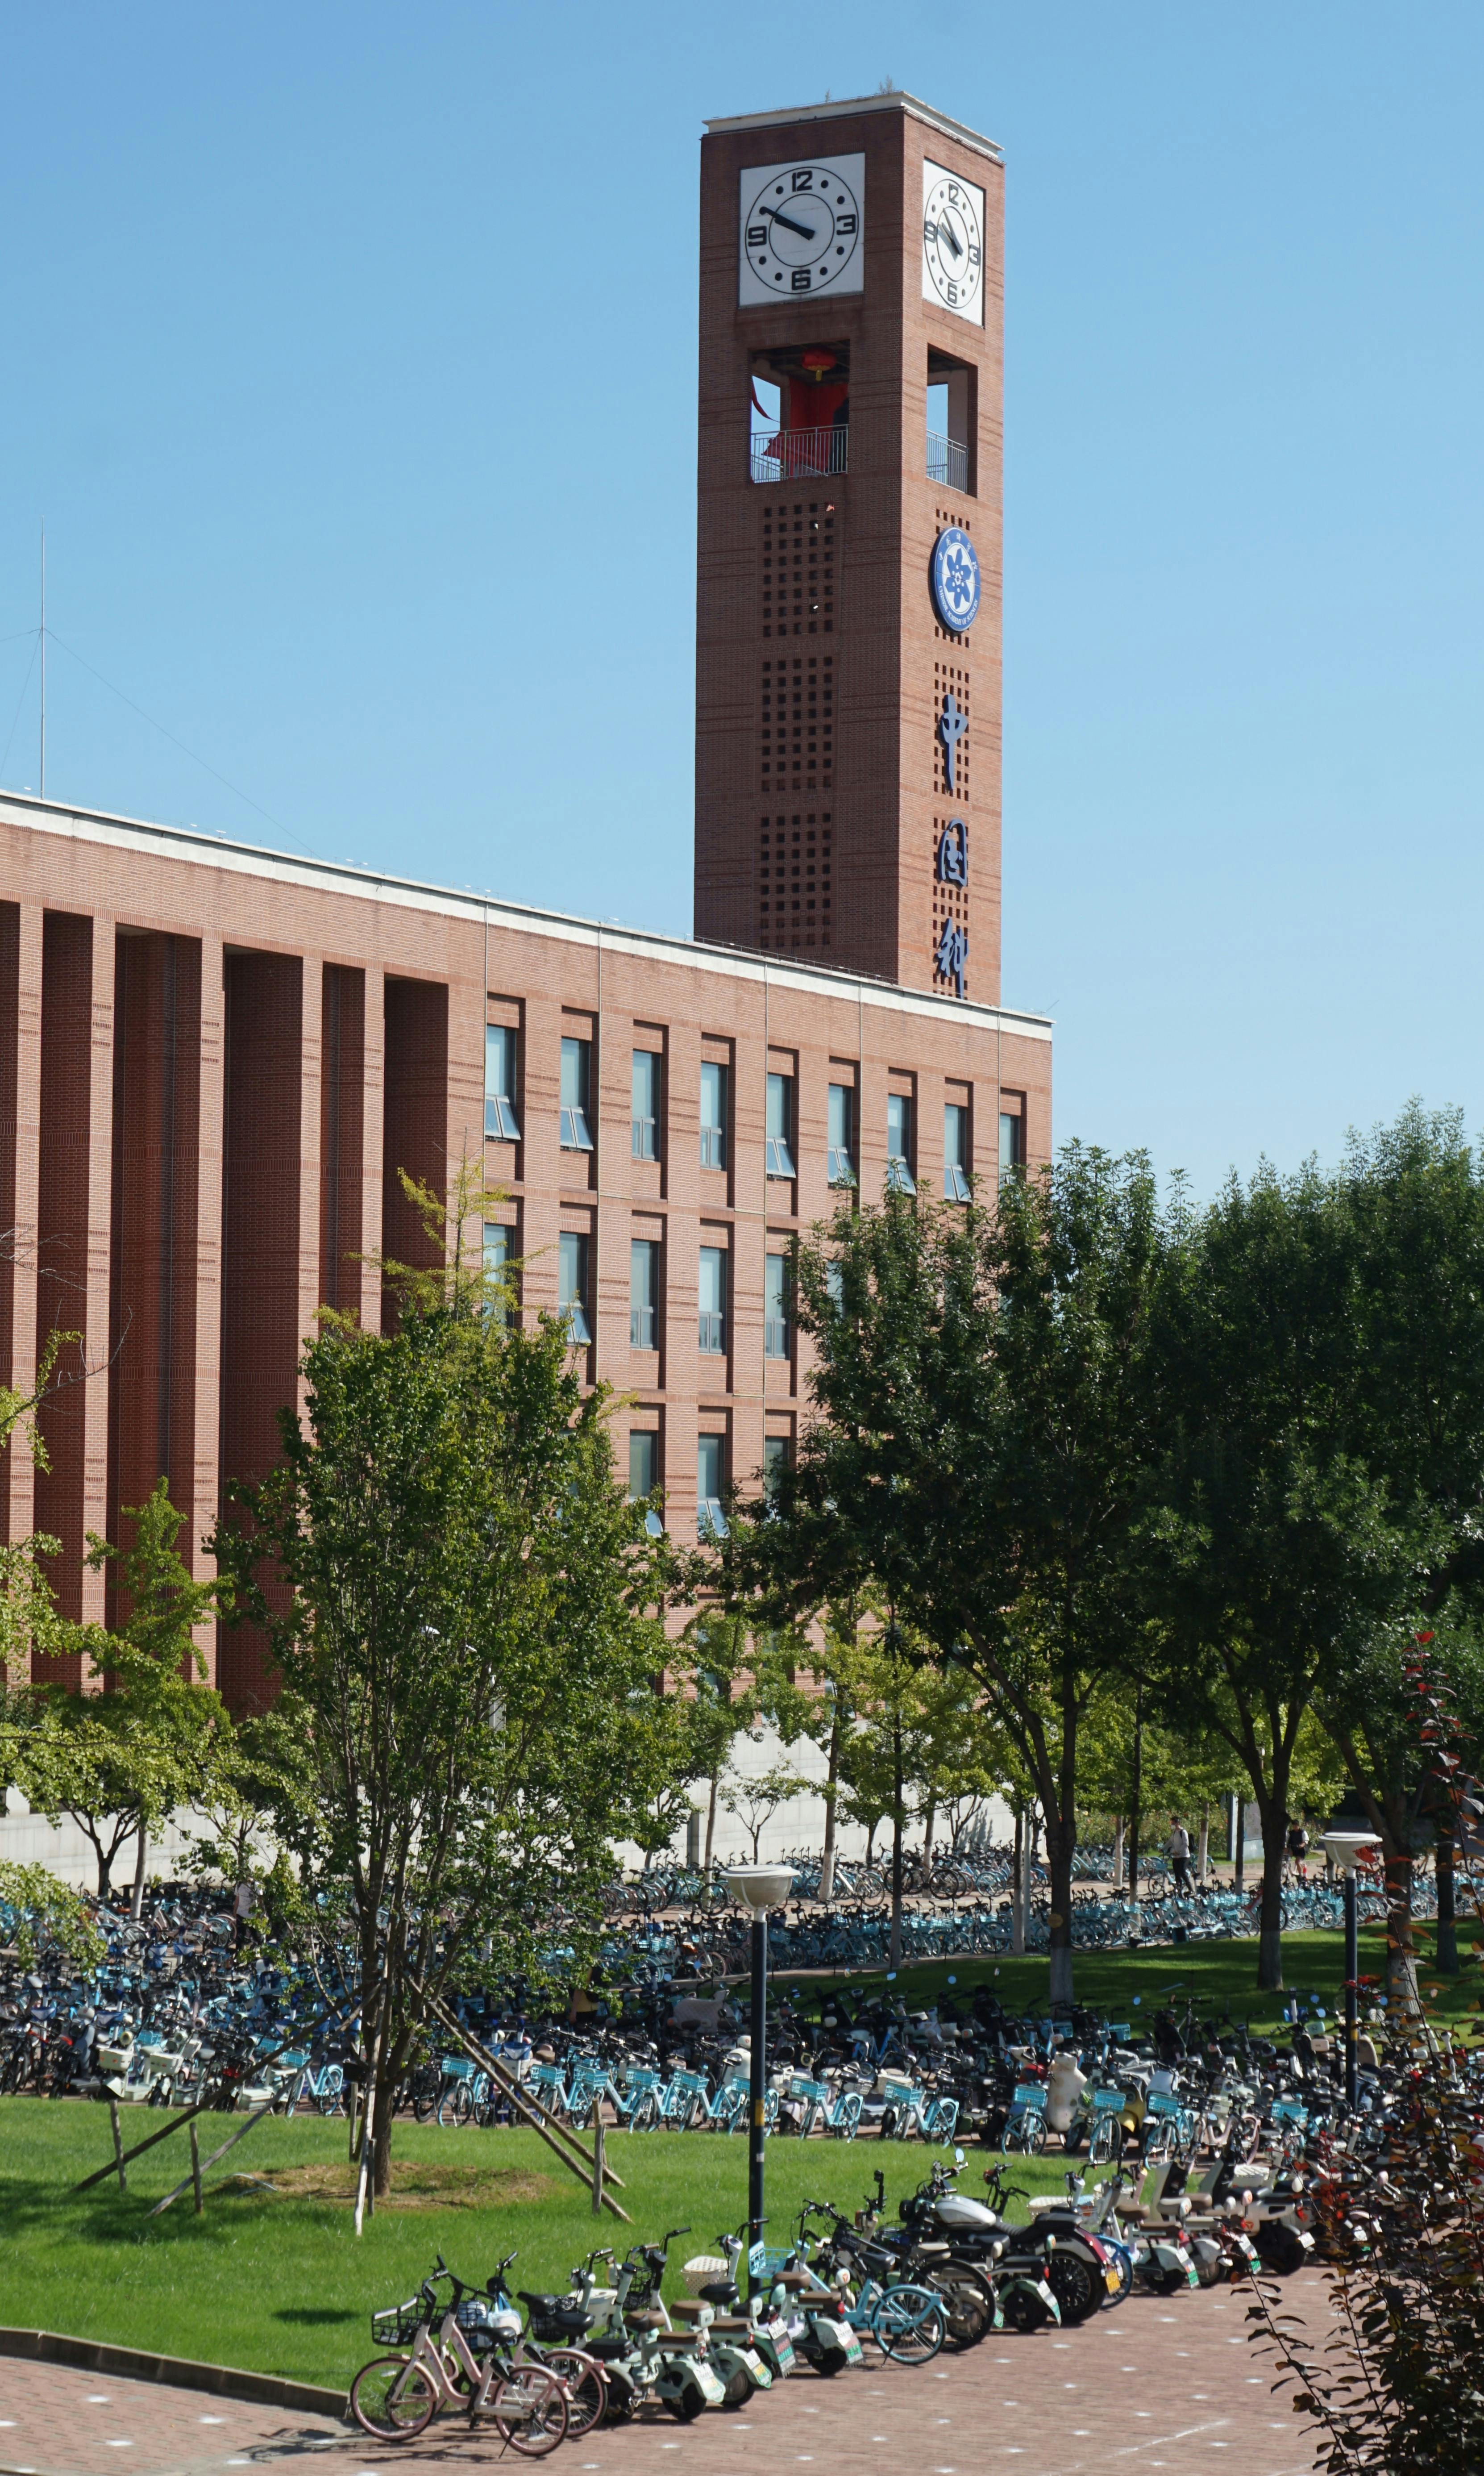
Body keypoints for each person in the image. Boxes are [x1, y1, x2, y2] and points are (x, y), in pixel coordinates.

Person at [1167, 1815, 1193, 1894]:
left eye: (1173, 1823)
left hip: (1184, 1856)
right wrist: (1163, 1848)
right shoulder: (1175, 1832)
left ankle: (1191, 1889)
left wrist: (1179, 1851)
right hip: (1176, 1856)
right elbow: (1170, 1842)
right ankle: (1179, 1887)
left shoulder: (1183, 1832)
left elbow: (1186, 1844)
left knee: (1182, 1871)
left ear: (1178, 1823)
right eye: (1171, 1823)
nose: (1172, 1824)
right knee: (1176, 1872)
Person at [1286, 1816, 1309, 1882]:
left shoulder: (1303, 1832)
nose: (1295, 1828)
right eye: (1294, 1826)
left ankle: (1301, 1876)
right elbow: (1287, 1840)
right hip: (1293, 1848)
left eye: (1296, 1826)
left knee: (1297, 1862)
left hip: (1301, 1850)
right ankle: (1286, 1871)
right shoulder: (1291, 1833)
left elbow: (1306, 1840)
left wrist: (1302, 1845)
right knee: (1285, 1857)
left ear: (1298, 1826)